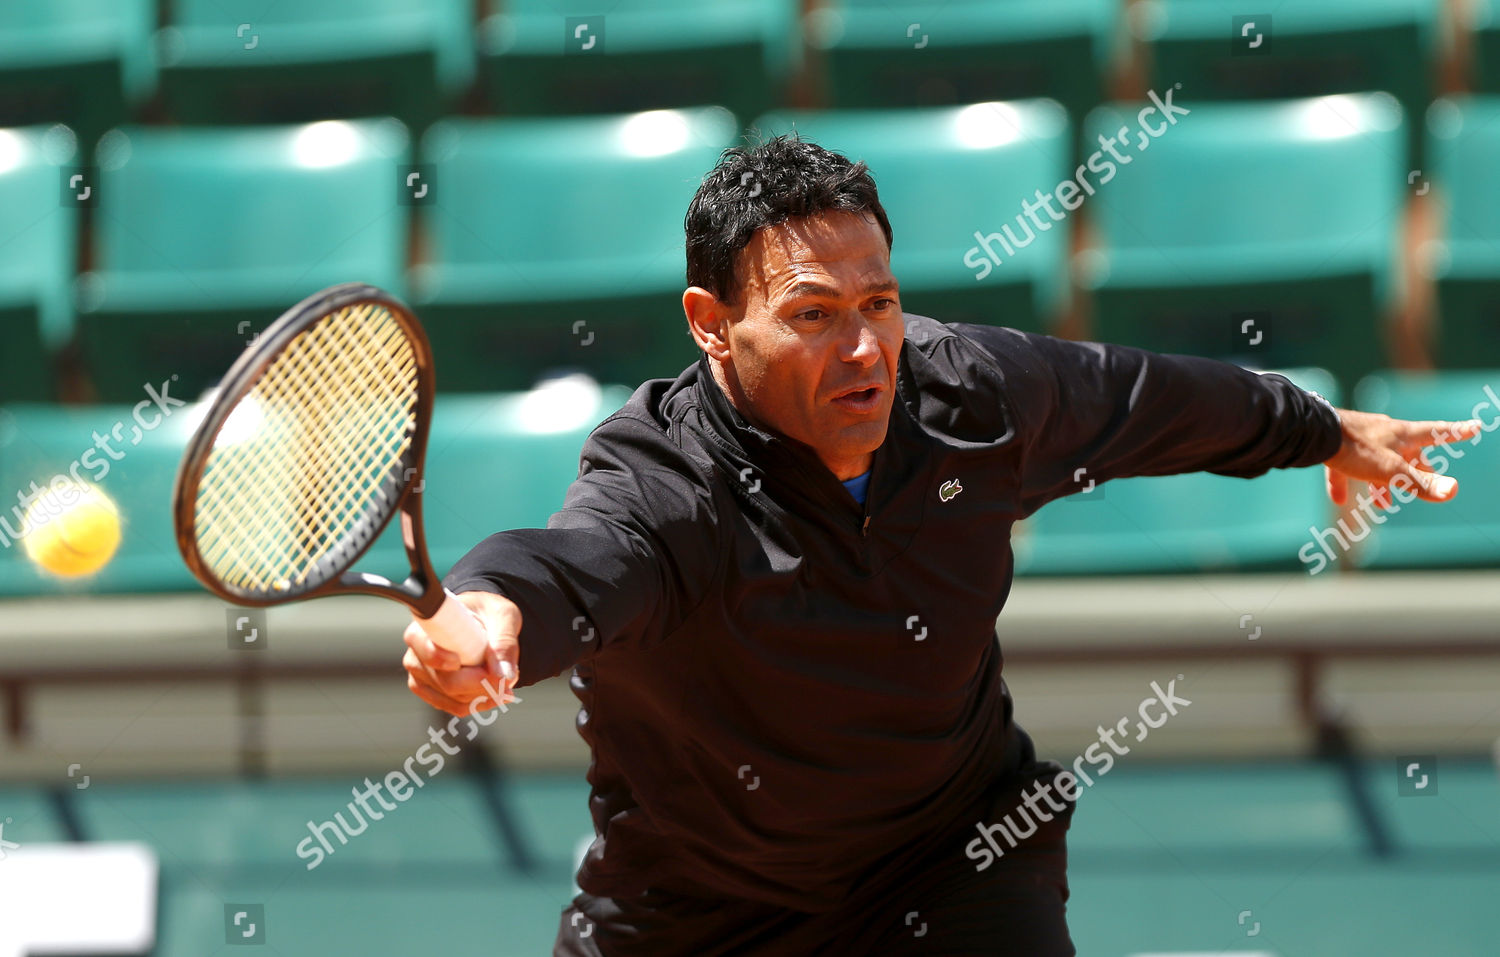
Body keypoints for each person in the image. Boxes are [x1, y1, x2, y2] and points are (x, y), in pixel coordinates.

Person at [401, 135, 1480, 956]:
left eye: (881, 301)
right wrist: (492, 617)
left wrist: (1327, 430)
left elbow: (1151, 401)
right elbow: (570, 562)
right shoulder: (664, 482)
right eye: (815, 315)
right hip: (697, 913)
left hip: (954, 862)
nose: (867, 347)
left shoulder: (969, 395)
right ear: (711, 322)